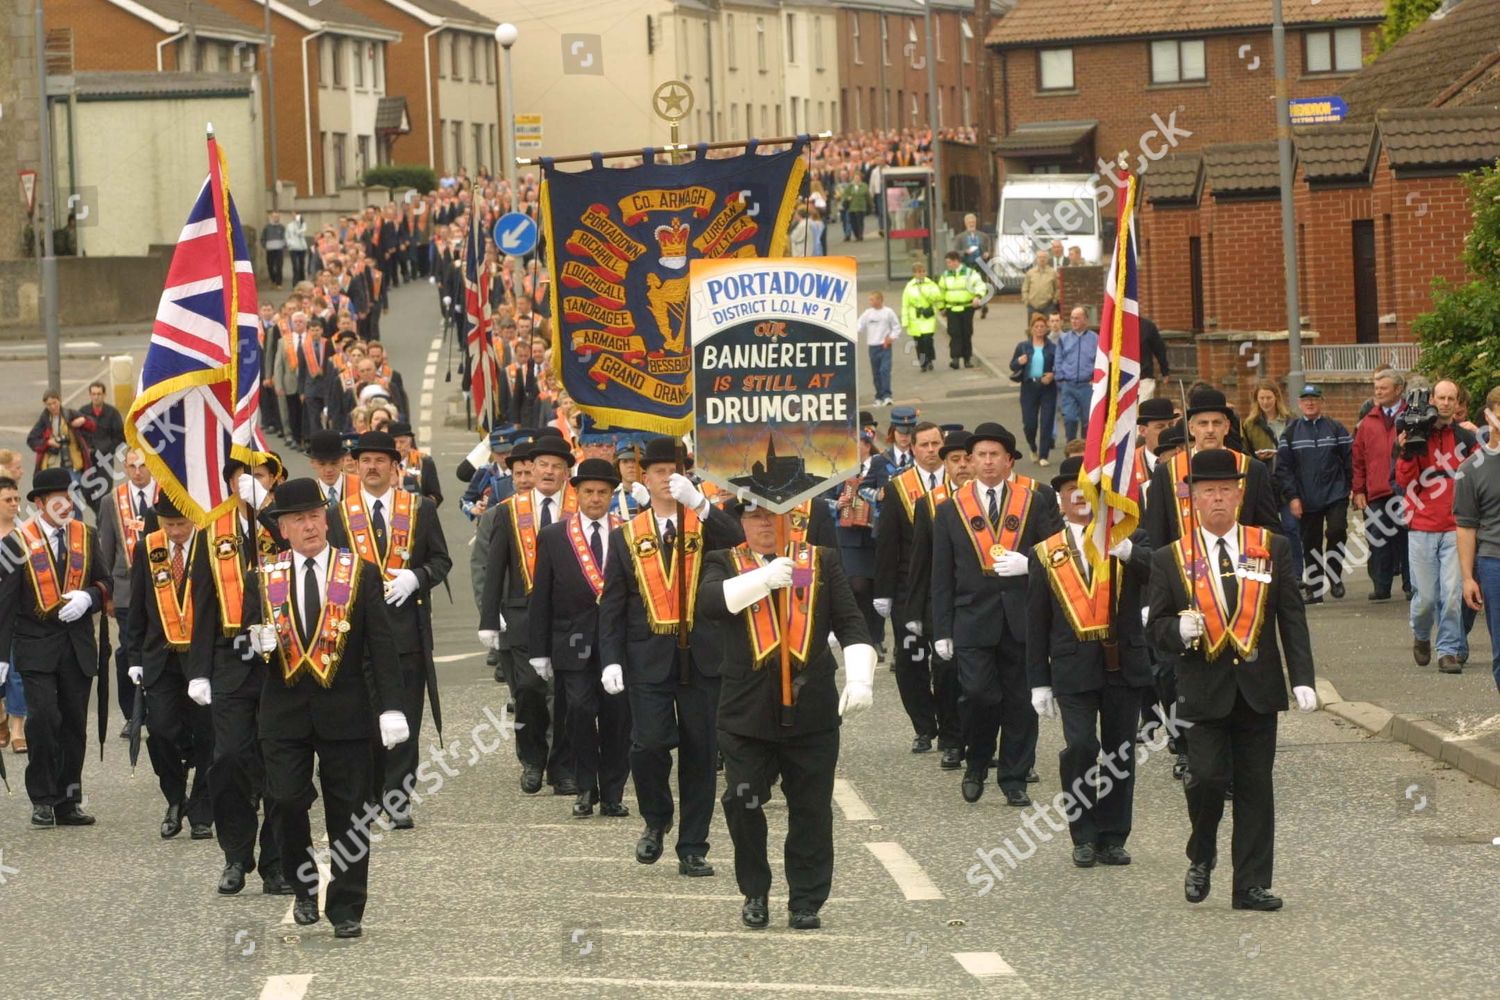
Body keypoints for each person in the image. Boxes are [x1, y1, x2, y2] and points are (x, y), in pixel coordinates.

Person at [1146, 448, 1318, 911]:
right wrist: (1174, 631)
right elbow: (1154, 628)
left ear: (1240, 495)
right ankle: (1201, 853)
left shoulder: (1270, 547)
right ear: (1193, 500)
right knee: (1204, 779)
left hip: (1258, 688)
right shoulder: (1172, 558)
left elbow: (1291, 616)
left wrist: (1302, 676)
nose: (1218, 499)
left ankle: (1250, 884)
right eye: (1208, 492)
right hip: (1202, 689)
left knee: (1256, 787)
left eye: (1226, 490)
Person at [698, 501, 876, 931]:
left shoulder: (821, 561)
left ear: (791, 520)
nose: (764, 524)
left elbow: (851, 621)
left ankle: (806, 899)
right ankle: (755, 891)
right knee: (743, 800)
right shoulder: (723, 560)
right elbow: (711, 604)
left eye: (772, 515)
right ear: (741, 522)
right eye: (755, 516)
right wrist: (761, 578)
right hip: (746, 711)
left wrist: (860, 676)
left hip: (810, 705)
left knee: (811, 807)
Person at [248, 477, 409, 939]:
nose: (309, 525)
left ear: (326, 520)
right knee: (284, 799)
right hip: (283, 712)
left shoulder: (357, 572)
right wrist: (252, 643)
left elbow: (381, 645)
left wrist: (392, 708)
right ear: (282, 529)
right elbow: (243, 641)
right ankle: (303, 885)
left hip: (346, 711)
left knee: (350, 813)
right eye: (298, 518)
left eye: (315, 515)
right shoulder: (264, 577)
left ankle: (346, 906)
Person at [600, 437, 743, 872]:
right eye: (659, 472)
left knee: (701, 754)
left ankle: (693, 846)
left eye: (674, 471)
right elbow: (614, 601)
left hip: (703, 657)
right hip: (648, 659)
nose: (667, 479)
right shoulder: (628, 534)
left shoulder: (705, 524)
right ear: (644, 478)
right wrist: (610, 657)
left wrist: (700, 504)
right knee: (648, 745)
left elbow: (739, 546)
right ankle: (656, 819)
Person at [1027, 456, 1153, 868]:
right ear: (1060, 500)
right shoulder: (1046, 553)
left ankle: (1113, 836)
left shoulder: (1127, 537)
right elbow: (1037, 622)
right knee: (1081, 746)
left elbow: (1165, 574)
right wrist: (1038, 682)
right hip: (1072, 668)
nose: (1080, 497)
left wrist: (1132, 553)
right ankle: (1082, 833)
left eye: (1088, 489)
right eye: (1070, 491)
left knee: (1119, 753)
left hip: (1123, 663)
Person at [930, 422, 1064, 807]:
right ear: (969, 461)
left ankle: (1014, 777)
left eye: (995, 455)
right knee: (977, 695)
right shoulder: (950, 510)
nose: (988, 462)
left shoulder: (1035, 501)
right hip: (971, 619)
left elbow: (1056, 554)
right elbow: (942, 573)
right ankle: (976, 763)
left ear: (1009, 461)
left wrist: (1030, 564)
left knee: (1022, 702)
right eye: (981, 456)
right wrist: (942, 628)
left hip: (1023, 617)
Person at [330, 431, 451, 827]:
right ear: (355, 466)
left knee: (405, 717)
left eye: (380, 461)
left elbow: (441, 561)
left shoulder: (418, 509)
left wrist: (416, 578)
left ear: (394, 467)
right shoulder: (338, 514)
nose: (372, 467)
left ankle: (398, 797)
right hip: (357, 635)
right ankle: (369, 794)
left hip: (405, 633)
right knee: (364, 717)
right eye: (364, 461)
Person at [188, 459, 290, 896]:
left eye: (259, 477)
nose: (247, 483)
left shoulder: (285, 523)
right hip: (232, 656)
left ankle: (276, 862)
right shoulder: (212, 531)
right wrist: (199, 670)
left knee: (280, 767)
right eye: (239, 478)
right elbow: (203, 602)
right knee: (228, 759)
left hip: (282, 656)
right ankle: (235, 853)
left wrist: (265, 506)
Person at [0, 467, 110, 828]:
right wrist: (1, 658)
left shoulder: (85, 535)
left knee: (74, 725)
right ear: (41, 504)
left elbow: (104, 583)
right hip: (35, 647)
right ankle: (43, 798)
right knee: (45, 719)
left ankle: (68, 800)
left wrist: (89, 597)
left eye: (70, 499)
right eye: (58, 500)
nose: (66, 506)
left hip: (76, 645)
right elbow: (5, 605)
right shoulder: (17, 543)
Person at [528, 459, 632, 820]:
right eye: (588, 491)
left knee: (618, 718)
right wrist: (538, 651)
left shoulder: (628, 533)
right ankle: (585, 786)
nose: (595, 499)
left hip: (618, 644)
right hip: (571, 644)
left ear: (612, 495)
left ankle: (614, 791)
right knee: (579, 713)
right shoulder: (555, 535)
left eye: (603, 492)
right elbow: (541, 595)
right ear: (576, 493)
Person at [478, 435, 578, 794]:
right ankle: (532, 761)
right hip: (522, 614)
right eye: (543, 465)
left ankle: (563, 767)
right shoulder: (508, 510)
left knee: (566, 692)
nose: (549, 472)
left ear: (567, 472)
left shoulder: (578, 506)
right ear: (531, 470)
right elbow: (495, 567)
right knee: (529, 692)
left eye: (557, 466)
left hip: (568, 617)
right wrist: (489, 618)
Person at [125, 494, 216, 841]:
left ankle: (202, 809)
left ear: (193, 519)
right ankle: (175, 800)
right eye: (168, 525)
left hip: (201, 656)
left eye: (181, 524)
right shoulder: (149, 547)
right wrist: (133, 657)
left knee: (207, 734)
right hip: (160, 656)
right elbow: (137, 603)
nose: (175, 531)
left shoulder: (210, 545)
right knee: (161, 731)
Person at [873, 420, 946, 753]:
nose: (931, 451)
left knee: (947, 662)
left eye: (936, 444)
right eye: (925, 445)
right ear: (912, 449)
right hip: (907, 590)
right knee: (912, 659)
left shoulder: (959, 483)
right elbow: (887, 543)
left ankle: (951, 725)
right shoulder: (899, 487)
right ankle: (924, 725)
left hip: (947, 588)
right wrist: (883, 591)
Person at [1397, 379, 1476, 673]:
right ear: (1432, 399)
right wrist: (1405, 453)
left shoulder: (1465, 438)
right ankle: (1420, 635)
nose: (1445, 403)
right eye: (1440, 397)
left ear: (1457, 403)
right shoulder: (1418, 433)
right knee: (1426, 598)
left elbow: (1482, 470)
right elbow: (1404, 482)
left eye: (1450, 398)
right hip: (1422, 526)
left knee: (1453, 594)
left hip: (1456, 526)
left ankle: (1448, 651)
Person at [1144, 387, 1281, 549]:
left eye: (1216, 423)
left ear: (1227, 426)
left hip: (1239, 565)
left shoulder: (1252, 469)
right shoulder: (1167, 472)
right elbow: (1156, 535)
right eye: (1203, 423)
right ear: (1191, 428)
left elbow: (1269, 528)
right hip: (1184, 568)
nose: (1210, 430)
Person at [96, 450, 155, 732]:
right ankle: (132, 713)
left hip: (161, 587)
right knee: (129, 650)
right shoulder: (112, 500)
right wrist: (106, 592)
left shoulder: (168, 494)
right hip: (125, 588)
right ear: (125, 467)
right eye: (132, 466)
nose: (138, 471)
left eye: (143, 465)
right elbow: (106, 547)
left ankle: (157, 706)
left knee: (154, 647)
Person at [1276, 385, 1353, 603]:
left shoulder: (1336, 428)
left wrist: (1352, 486)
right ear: (1299, 404)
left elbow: (1349, 459)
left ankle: (1335, 574)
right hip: (1306, 496)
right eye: (1305, 400)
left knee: (1337, 530)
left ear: (1322, 402)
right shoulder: (1290, 433)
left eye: (1314, 399)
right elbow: (1283, 468)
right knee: (1310, 542)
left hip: (1335, 493)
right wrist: (1292, 497)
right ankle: (1315, 588)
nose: (1310, 403)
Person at [1454, 385, 1500, 693]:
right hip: (1493, 562)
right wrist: (1468, 578)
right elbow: (1466, 527)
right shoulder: (1470, 469)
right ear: (1488, 417)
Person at [1353, 369, 1412, 601]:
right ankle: (1381, 586)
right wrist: (1358, 490)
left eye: (1383, 388)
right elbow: (1358, 459)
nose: (1378, 392)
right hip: (1377, 491)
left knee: (1408, 539)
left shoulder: (1411, 416)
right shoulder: (1368, 422)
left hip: (1406, 489)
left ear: (1398, 390)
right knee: (1377, 537)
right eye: (1376, 388)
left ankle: (1410, 586)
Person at [0, 476, 27, 752]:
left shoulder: (25, 534)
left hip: (17, 613)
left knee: (17, 669)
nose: (14, 504)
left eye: (16, 499)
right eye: (7, 499)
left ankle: (18, 727)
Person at [1010, 314, 1058, 466]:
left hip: (1047, 387)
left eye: (1042, 327)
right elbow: (1012, 366)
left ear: (1046, 329)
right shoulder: (1023, 346)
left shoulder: (1053, 348)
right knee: (1029, 423)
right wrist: (1019, 361)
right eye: (1036, 327)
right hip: (1029, 387)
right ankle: (1033, 447)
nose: (1039, 329)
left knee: (1047, 421)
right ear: (1031, 329)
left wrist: (1053, 374)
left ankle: (1044, 455)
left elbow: (1060, 365)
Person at [1055, 307, 1098, 443]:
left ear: (1085, 320)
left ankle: (1086, 449)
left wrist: (1095, 378)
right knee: (1070, 418)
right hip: (1069, 385)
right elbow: (1058, 359)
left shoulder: (1095, 339)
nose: (1074, 321)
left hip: (1087, 385)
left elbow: (1100, 361)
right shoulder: (1064, 339)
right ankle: (1071, 445)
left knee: (1087, 419)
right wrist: (1061, 378)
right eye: (1072, 318)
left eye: (1077, 318)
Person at [937, 251, 985, 370]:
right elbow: (940, 292)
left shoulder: (969, 273)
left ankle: (967, 359)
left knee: (966, 333)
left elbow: (980, 284)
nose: (948, 265)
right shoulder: (945, 275)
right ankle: (955, 359)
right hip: (951, 308)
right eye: (947, 262)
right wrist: (941, 307)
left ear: (956, 261)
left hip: (967, 307)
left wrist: (978, 296)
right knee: (954, 333)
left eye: (949, 262)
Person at [27, 390, 93, 475]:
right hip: (52, 464)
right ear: (45, 405)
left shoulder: (70, 414)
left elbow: (92, 425)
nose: (53, 407)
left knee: (74, 487)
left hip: (73, 462)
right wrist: (48, 443)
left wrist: (83, 420)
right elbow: (31, 440)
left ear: (60, 400)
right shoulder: (44, 420)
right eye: (49, 404)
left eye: (55, 403)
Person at [857, 290, 901, 407]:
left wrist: (891, 338)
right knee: (876, 373)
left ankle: (887, 396)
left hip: (885, 346)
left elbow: (897, 327)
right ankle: (879, 396)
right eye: (870, 299)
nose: (870, 302)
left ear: (880, 300)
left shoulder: (888, 312)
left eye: (872, 299)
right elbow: (859, 326)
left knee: (884, 371)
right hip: (872, 346)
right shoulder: (868, 313)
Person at [901, 260, 943, 373]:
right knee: (919, 341)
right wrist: (905, 321)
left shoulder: (931, 284)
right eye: (919, 272)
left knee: (927, 339)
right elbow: (905, 304)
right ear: (914, 273)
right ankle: (923, 362)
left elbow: (938, 297)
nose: (921, 274)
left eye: (923, 271)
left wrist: (926, 293)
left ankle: (930, 360)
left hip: (928, 315)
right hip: (915, 317)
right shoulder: (909, 286)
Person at [389, 421, 443, 507]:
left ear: (410, 442)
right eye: (394, 442)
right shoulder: (383, 463)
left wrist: (423, 507)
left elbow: (436, 495)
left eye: (402, 442)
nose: (398, 446)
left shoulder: (424, 461)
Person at [953, 214, 993, 319]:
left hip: (981, 264)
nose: (971, 223)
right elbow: (955, 252)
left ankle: (983, 305)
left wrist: (987, 254)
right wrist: (964, 252)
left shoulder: (984, 236)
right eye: (969, 222)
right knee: (969, 287)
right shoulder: (960, 237)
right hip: (967, 265)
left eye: (973, 221)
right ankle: (972, 306)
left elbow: (989, 250)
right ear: (965, 223)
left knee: (983, 285)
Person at [81, 381, 126, 474]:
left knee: (106, 487)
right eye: (93, 394)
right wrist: (84, 448)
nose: (96, 397)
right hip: (87, 459)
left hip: (105, 459)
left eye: (99, 394)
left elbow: (120, 436)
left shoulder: (112, 413)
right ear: (90, 395)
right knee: (87, 487)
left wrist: (109, 451)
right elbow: (77, 434)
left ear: (104, 395)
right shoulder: (83, 412)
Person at [1137, 316, 1171, 401]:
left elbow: (1159, 349)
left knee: (1144, 409)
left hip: (1144, 376)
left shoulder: (1147, 326)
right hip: (1123, 380)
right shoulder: (1116, 327)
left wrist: (1165, 371)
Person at [1021, 249, 1058, 320]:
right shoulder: (1030, 273)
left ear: (1047, 259)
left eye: (1044, 257)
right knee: (1033, 329)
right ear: (1036, 259)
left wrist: (1054, 302)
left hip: (1048, 307)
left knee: (1048, 328)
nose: (1042, 259)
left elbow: (1058, 289)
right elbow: (1025, 288)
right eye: (1040, 257)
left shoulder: (1053, 273)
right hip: (1032, 307)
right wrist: (1026, 301)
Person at [262, 211, 287, 288]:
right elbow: (263, 238)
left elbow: (285, 238)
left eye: (277, 217)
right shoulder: (267, 227)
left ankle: (279, 284)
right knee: (270, 266)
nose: (276, 218)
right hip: (270, 250)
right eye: (274, 217)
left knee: (279, 266)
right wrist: (265, 245)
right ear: (271, 217)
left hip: (279, 250)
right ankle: (273, 281)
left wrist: (284, 245)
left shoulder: (282, 227)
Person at [286, 212, 309, 285]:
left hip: (302, 247)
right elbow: (287, 236)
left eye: (296, 215)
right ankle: (295, 283)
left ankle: (302, 281)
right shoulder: (289, 225)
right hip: (293, 248)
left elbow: (301, 232)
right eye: (293, 215)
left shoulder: (302, 224)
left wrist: (298, 223)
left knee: (301, 265)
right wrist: (290, 243)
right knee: (295, 266)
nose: (294, 216)